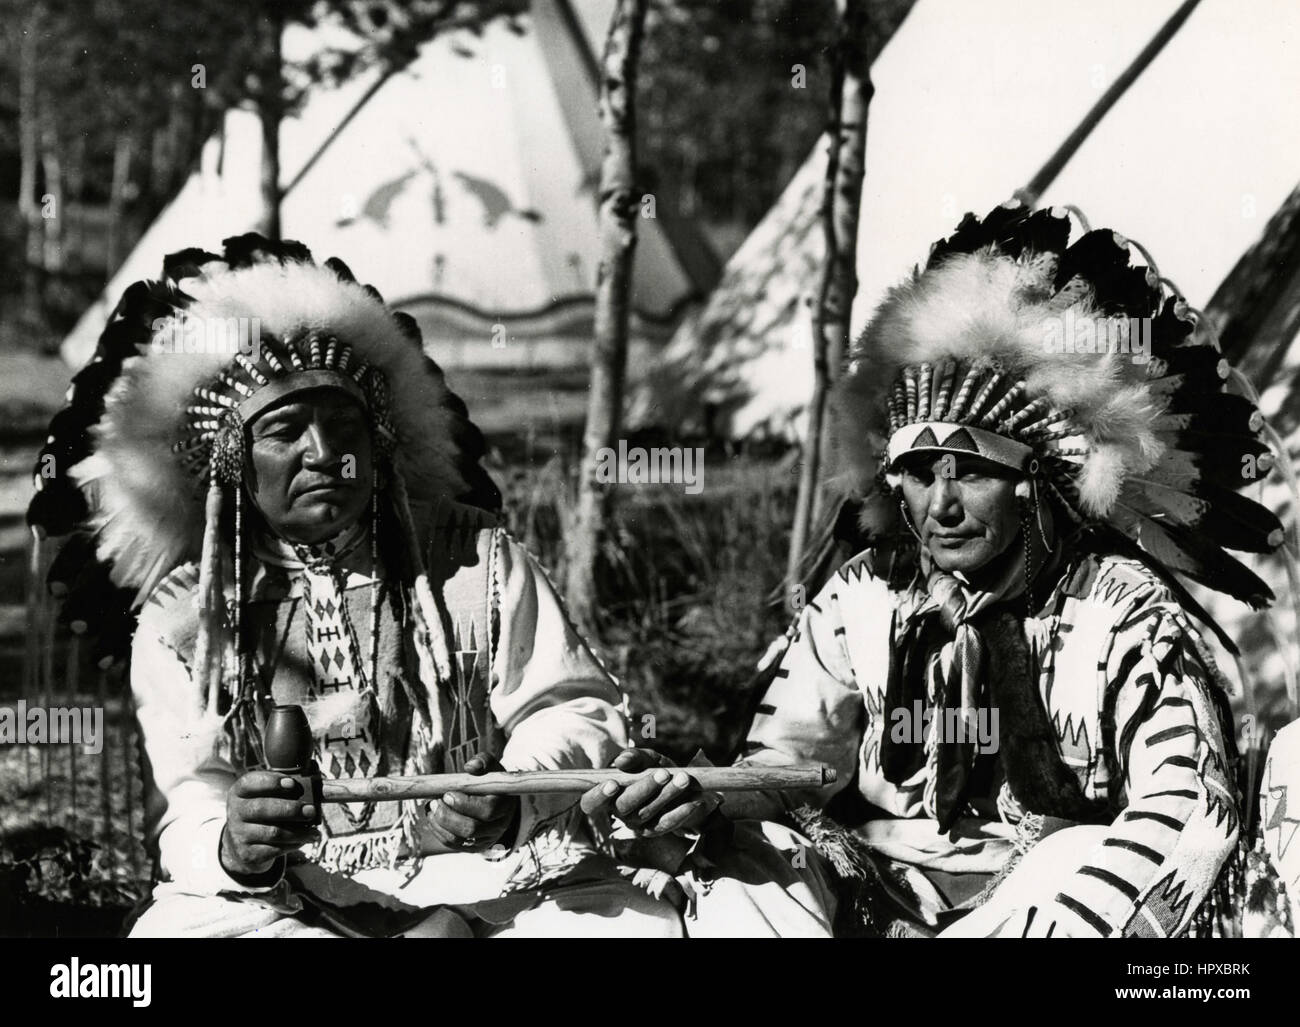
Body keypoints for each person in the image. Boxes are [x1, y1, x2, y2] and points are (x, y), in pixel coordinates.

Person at [588, 201, 1283, 938]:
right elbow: (788, 766)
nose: (942, 506)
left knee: (1078, 851)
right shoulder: (864, 594)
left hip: (1043, 891)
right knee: (749, 869)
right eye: (919, 474)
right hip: (877, 883)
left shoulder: (1117, 608)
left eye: (971, 474)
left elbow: (1188, 804)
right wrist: (702, 792)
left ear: (1032, 482)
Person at [63, 237, 680, 937]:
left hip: (485, 878)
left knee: (637, 927)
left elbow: (573, 707)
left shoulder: (472, 557)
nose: (325, 453)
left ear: (377, 439)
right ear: (233, 461)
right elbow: (189, 793)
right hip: (285, 901)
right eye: (288, 430)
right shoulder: (186, 617)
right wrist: (233, 841)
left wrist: (510, 793)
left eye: (345, 425)